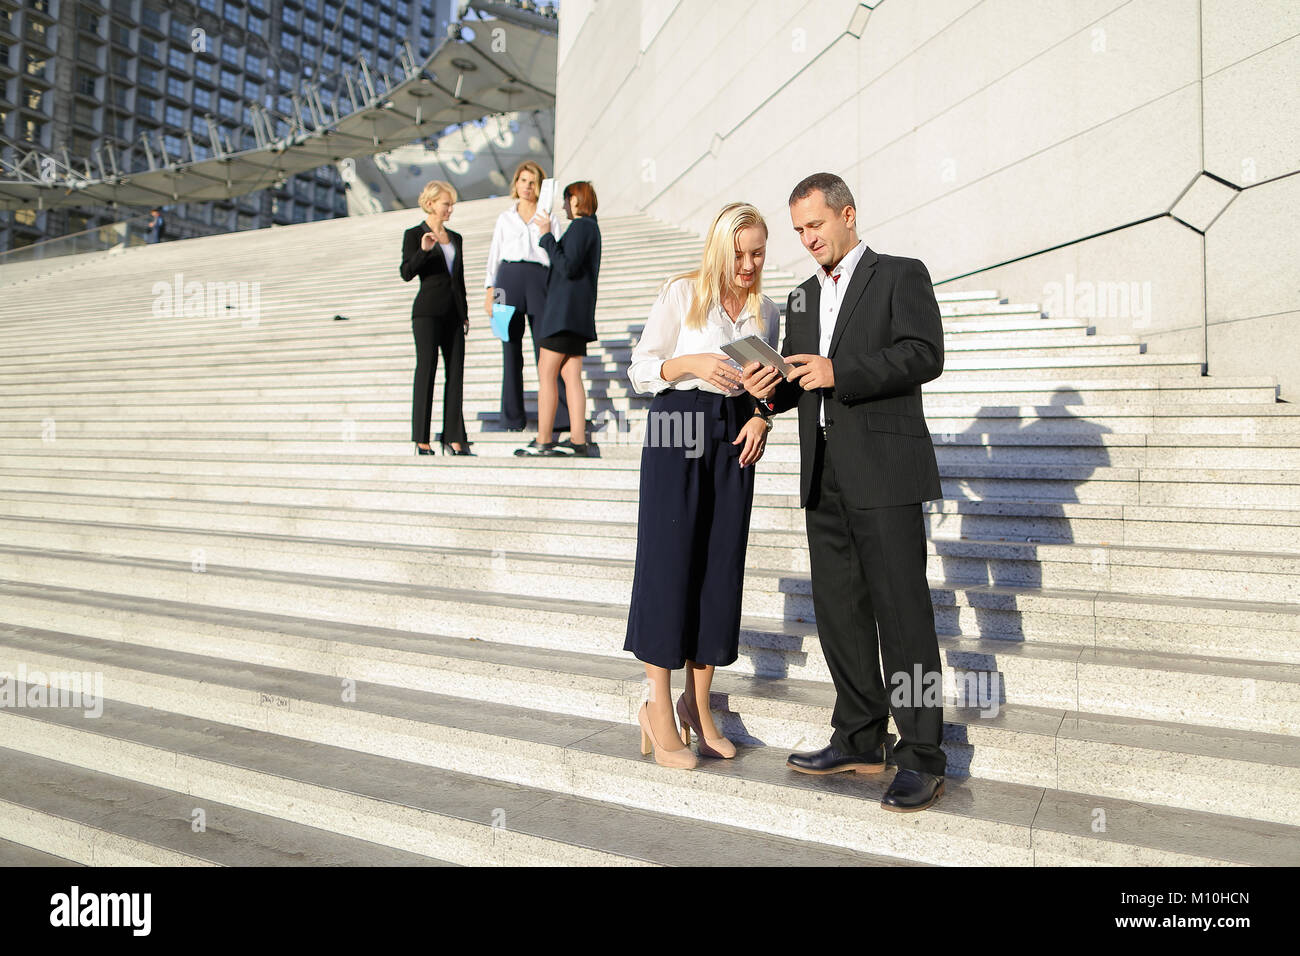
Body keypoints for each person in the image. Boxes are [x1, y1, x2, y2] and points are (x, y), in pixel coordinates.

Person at [744, 172, 947, 811]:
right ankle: (859, 737)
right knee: (840, 613)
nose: (807, 239)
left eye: (816, 226)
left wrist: (842, 371)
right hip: (823, 471)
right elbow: (800, 382)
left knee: (903, 616)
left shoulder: (900, 274)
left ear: (848, 215)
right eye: (799, 230)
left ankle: (921, 755)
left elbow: (924, 354)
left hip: (885, 471)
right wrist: (767, 387)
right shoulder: (802, 299)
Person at [624, 202, 779, 769]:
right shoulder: (681, 295)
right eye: (738, 252)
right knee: (669, 565)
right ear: (718, 248)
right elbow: (641, 369)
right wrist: (687, 364)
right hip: (677, 427)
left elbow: (771, 387)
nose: (748, 263)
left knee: (720, 568)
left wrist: (763, 414)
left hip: (735, 433)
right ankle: (658, 708)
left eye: (757, 252)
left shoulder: (766, 313)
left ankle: (700, 706)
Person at [516, 182, 602, 458]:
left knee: (547, 372)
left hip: (564, 315)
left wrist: (546, 236)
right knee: (570, 374)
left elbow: (567, 266)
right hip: (576, 315)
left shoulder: (581, 227)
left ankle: (544, 439)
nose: (564, 206)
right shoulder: (591, 228)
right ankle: (577, 439)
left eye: (567, 200)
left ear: (576, 200)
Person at [483, 161, 570, 434]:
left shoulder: (549, 217)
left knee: (547, 351)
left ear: (540, 186)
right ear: (515, 184)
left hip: (539, 282)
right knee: (509, 351)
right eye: (522, 180)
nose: (527, 186)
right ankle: (511, 420)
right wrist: (490, 292)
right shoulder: (504, 218)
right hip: (506, 281)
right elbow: (494, 257)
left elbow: (556, 256)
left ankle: (560, 418)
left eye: (532, 182)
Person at [401, 179, 473, 456]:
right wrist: (424, 250)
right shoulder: (414, 234)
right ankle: (422, 440)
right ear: (430, 204)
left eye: (452, 204)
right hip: (427, 312)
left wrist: (464, 313)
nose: (450, 209)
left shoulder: (456, 238)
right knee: (426, 372)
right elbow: (406, 272)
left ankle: (454, 438)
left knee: (455, 375)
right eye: (446, 204)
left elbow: (460, 278)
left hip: (453, 314)